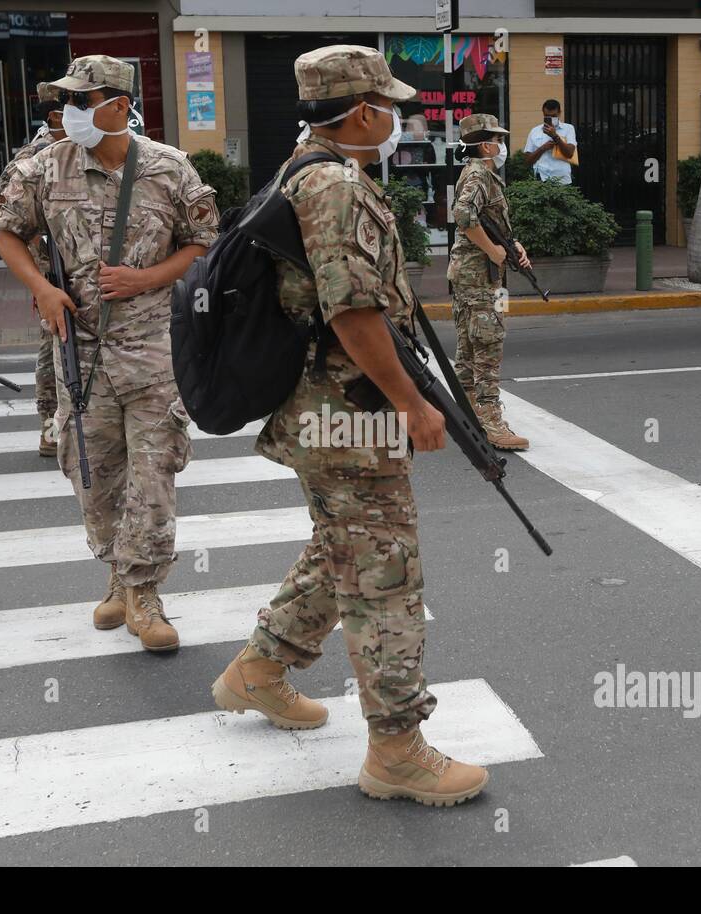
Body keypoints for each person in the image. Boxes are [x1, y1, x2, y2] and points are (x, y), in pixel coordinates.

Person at [210, 44, 490, 807]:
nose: (396, 118)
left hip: (327, 411)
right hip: (351, 414)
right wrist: (412, 403)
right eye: (389, 105)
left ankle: (261, 668)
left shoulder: (298, 168)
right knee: (385, 576)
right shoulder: (334, 185)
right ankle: (396, 751)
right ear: (361, 110)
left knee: (346, 548)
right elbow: (353, 311)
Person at [0, 55, 218, 650]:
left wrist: (148, 279)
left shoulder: (171, 169)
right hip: (79, 351)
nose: (69, 111)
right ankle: (117, 575)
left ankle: (144, 594)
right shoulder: (45, 167)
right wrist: (41, 288)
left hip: (152, 350)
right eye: (66, 100)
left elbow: (202, 246)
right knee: (93, 476)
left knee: (154, 473)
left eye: (81, 100)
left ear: (118, 106)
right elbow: (8, 233)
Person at [0, 83, 67, 457]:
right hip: (50, 269)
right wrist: (35, 237)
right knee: (52, 341)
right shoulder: (34, 153)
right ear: (55, 115)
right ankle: (50, 422)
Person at [449, 112, 530, 451]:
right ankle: (491, 418)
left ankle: (468, 412)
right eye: (497, 139)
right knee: (488, 343)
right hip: (480, 275)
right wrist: (495, 251)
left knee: (469, 345)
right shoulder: (480, 174)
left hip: (473, 273)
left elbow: (484, 220)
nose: (501, 144)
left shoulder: (478, 174)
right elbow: (464, 215)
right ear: (485, 145)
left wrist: (510, 245)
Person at [522, 99, 577, 185]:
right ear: (543, 114)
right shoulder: (535, 131)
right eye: (547, 116)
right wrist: (542, 148)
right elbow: (528, 160)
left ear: (559, 113)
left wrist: (555, 136)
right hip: (541, 179)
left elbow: (569, 153)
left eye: (553, 116)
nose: (551, 119)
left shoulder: (568, 128)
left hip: (562, 179)